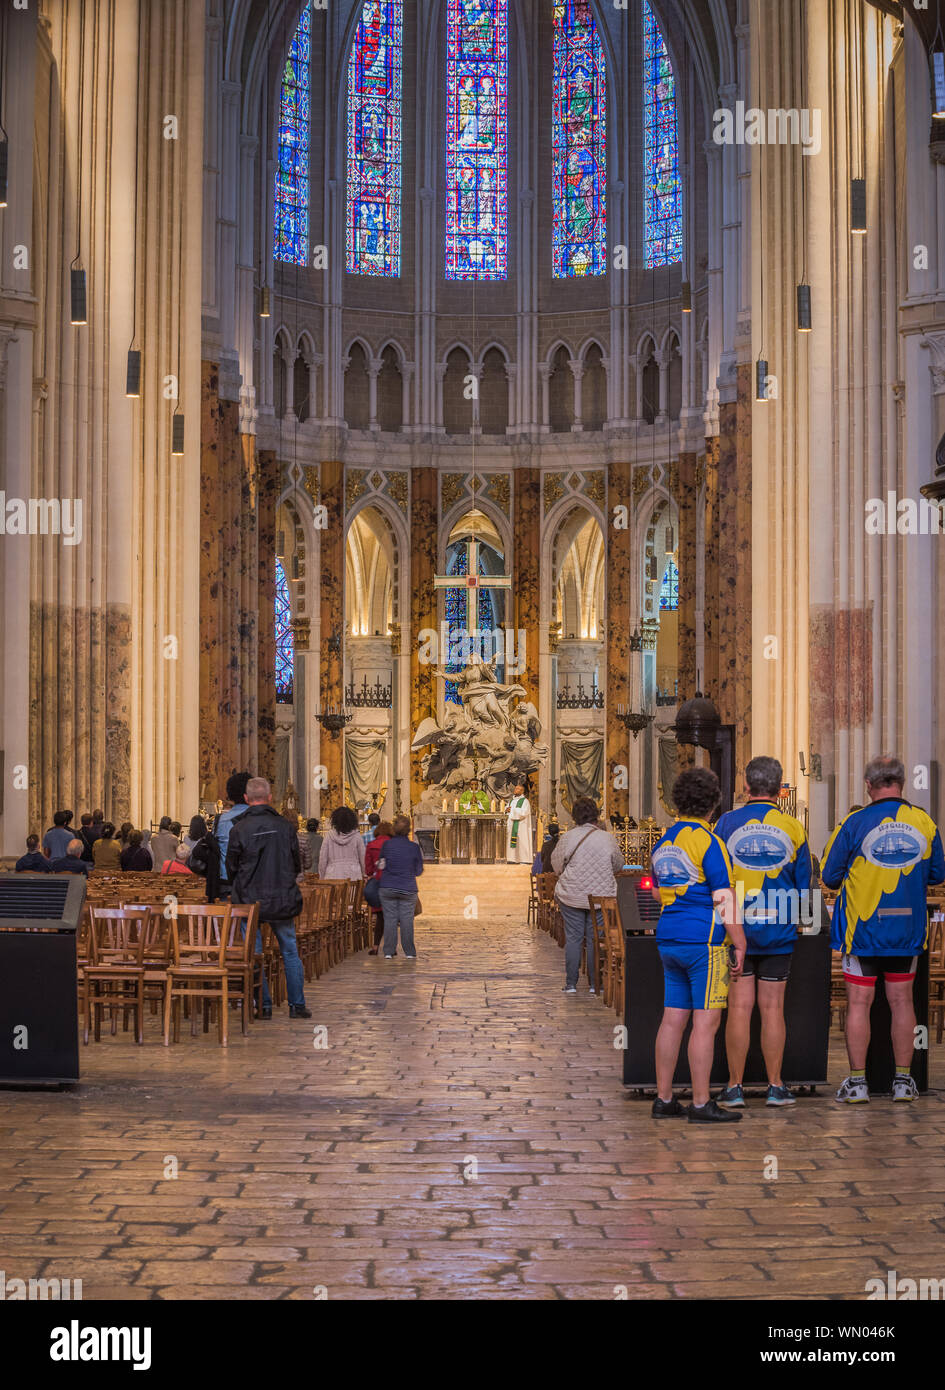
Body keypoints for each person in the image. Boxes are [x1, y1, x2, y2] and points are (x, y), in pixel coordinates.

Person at [822, 754, 945, 1104]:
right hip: (906, 927)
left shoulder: (855, 821)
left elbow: (829, 876)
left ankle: (859, 1083)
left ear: (868, 784)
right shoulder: (924, 822)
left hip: (862, 928)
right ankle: (904, 1083)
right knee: (902, 1002)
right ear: (902, 783)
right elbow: (938, 874)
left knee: (859, 1002)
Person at [713, 756, 813, 1109]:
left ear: (746, 786)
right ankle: (775, 1086)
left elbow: (717, 880)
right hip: (779, 927)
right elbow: (805, 886)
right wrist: (805, 925)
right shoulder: (794, 828)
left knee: (739, 1008)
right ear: (780, 788)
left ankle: (734, 1087)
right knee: (773, 1009)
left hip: (737, 928)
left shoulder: (725, 824)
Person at [650, 768, 746, 1124]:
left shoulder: (664, 841)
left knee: (672, 1019)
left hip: (669, 936)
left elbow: (659, 891)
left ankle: (663, 1098)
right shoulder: (710, 842)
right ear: (712, 806)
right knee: (705, 1024)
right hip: (703, 942)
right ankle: (702, 1102)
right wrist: (740, 940)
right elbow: (723, 896)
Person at [226, 776, 311, 1020]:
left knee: (254, 953)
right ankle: (297, 1005)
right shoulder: (285, 827)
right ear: (270, 797)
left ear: (246, 798)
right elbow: (296, 864)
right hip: (281, 897)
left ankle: (263, 1005)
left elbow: (230, 866)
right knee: (290, 951)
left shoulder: (239, 828)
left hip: (249, 899)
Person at [551, 798, 623, 996]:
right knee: (595, 938)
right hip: (601, 897)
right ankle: (595, 984)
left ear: (575, 816)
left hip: (572, 895)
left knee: (573, 939)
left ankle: (571, 984)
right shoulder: (607, 838)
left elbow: (556, 865)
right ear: (596, 815)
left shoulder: (568, 837)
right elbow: (618, 864)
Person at [377, 815, 424, 960]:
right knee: (407, 920)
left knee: (390, 919)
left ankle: (389, 952)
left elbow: (381, 864)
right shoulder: (414, 847)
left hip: (388, 886)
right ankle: (409, 952)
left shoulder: (387, 845)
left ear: (394, 829)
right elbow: (418, 871)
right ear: (409, 830)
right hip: (407, 887)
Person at [215, 773, 251, 897]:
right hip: (251, 881)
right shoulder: (259, 820)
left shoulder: (220, 820)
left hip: (225, 881)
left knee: (226, 915)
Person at [365, 819, 394, 955]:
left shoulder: (371, 845)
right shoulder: (394, 845)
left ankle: (375, 946)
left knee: (380, 918)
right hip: (391, 882)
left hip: (378, 884)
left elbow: (369, 870)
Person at [318, 806, 367, 880]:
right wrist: (364, 874)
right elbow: (363, 858)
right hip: (353, 875)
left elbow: (323, 859)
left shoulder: (328, 836)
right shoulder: (357, 836)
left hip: (332, 875)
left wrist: (321, 876)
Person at [506, 785, 533, 863]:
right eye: (516, 788)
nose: (516, 790)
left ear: (522, 791)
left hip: (521, 826)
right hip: (511, 825)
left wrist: (512, 810)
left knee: (521, 842)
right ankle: (511, 859)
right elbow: (507, 809)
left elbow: (524, 813)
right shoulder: (511, 800)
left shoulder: (525, 801)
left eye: (518, 789)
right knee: (510, 841)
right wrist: (506, 810)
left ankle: (523, 859)